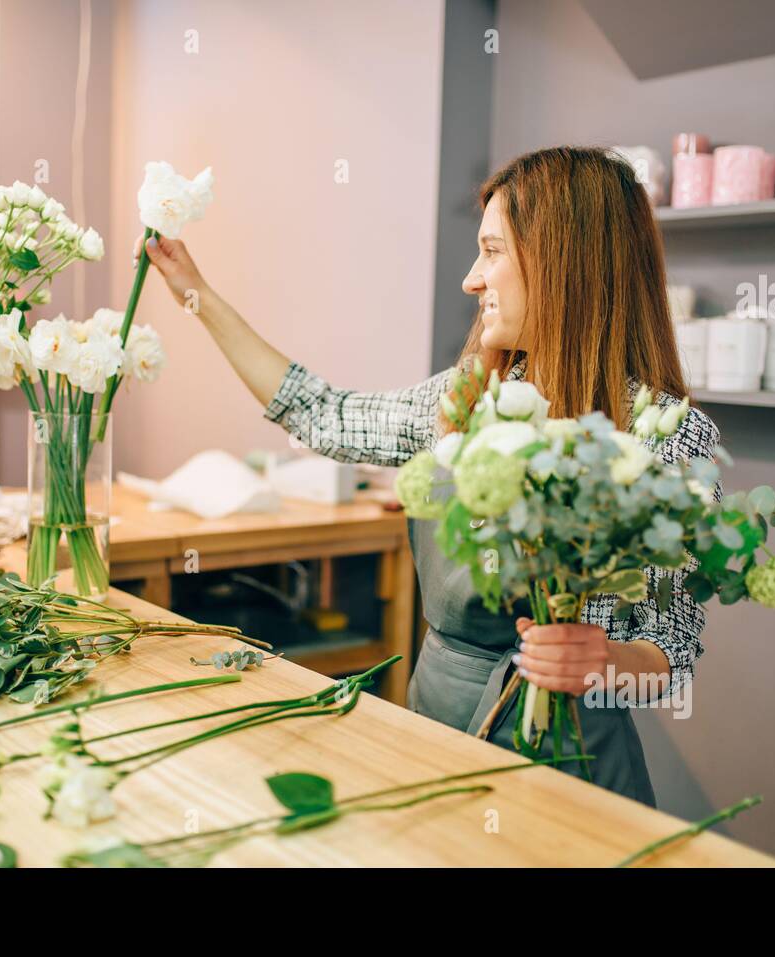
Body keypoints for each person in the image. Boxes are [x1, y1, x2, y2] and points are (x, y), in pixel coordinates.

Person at [135, 146, 720, 806]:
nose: (473, 280)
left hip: (575, 767)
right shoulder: (471, 396)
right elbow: (323, 415)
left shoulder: (665, 435)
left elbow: (671, 650)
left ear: (562, 261)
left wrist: (605, 664)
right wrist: (195, 295)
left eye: (492, 251)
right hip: (440, 728)